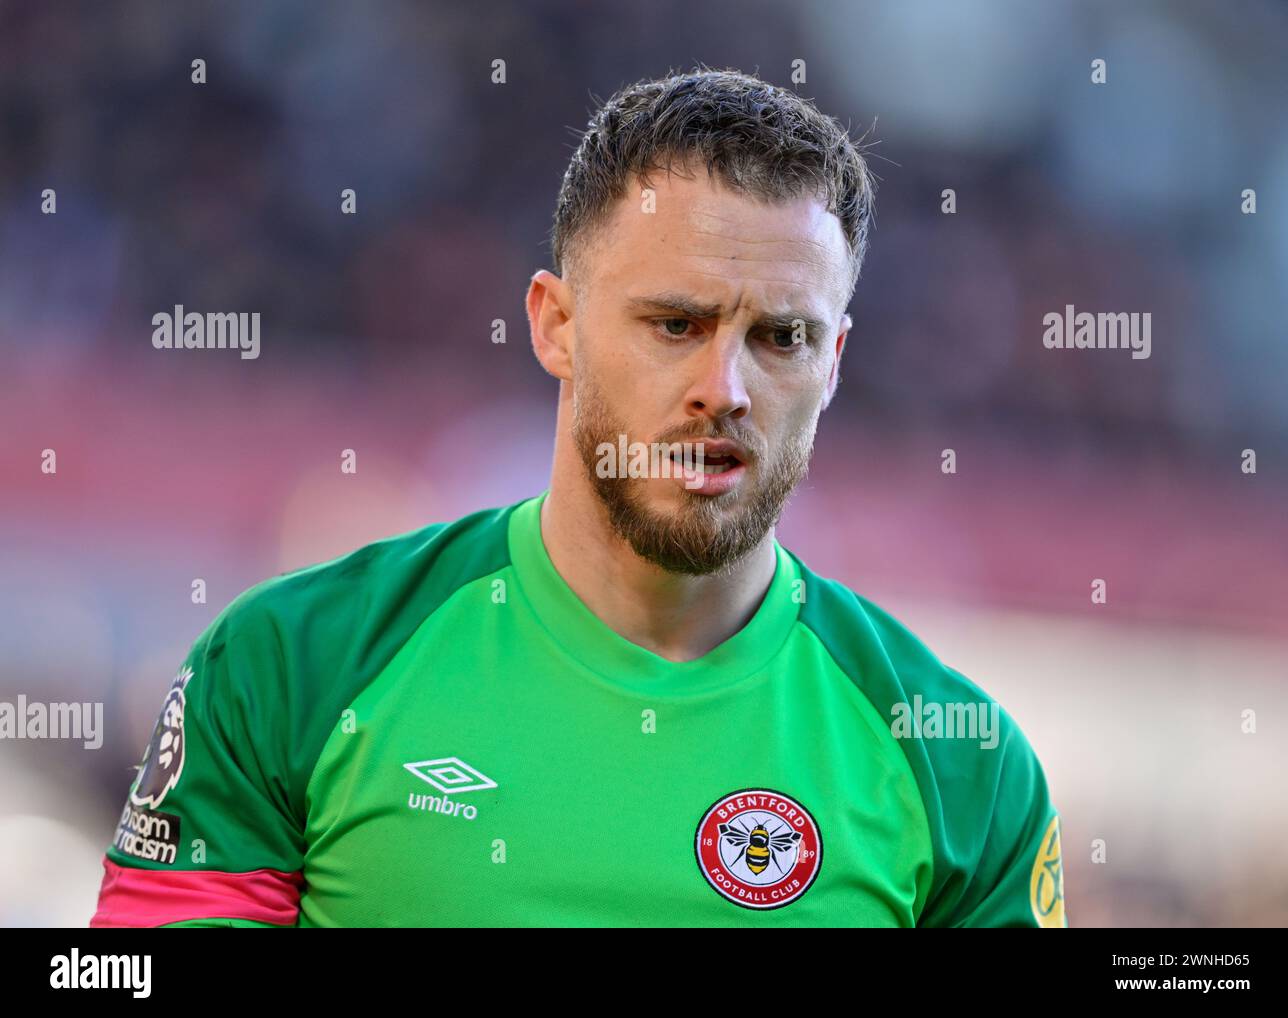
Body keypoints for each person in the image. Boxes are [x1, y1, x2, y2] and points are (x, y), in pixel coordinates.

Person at [91, 68, 1065, 927]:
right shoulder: (294, 663)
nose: (723, 387)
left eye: (780, 338)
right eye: (675, 322)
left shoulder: (959, 768)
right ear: (556, 325)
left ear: (834, 362)